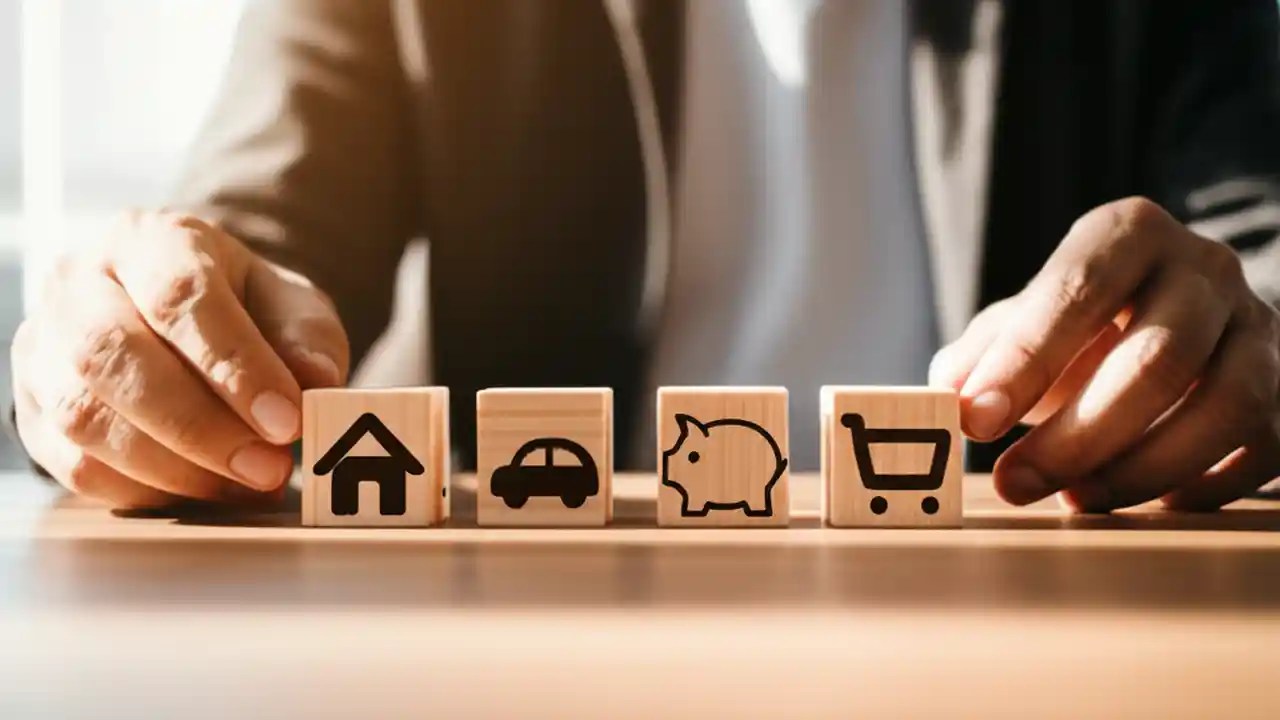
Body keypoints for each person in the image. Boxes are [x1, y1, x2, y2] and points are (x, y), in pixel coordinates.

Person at [9, 0, 1280, 512]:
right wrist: (149, 324)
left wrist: (1245, 333)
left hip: (1015, 619)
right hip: (513, 633)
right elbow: (251, 235)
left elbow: (1254, 255)